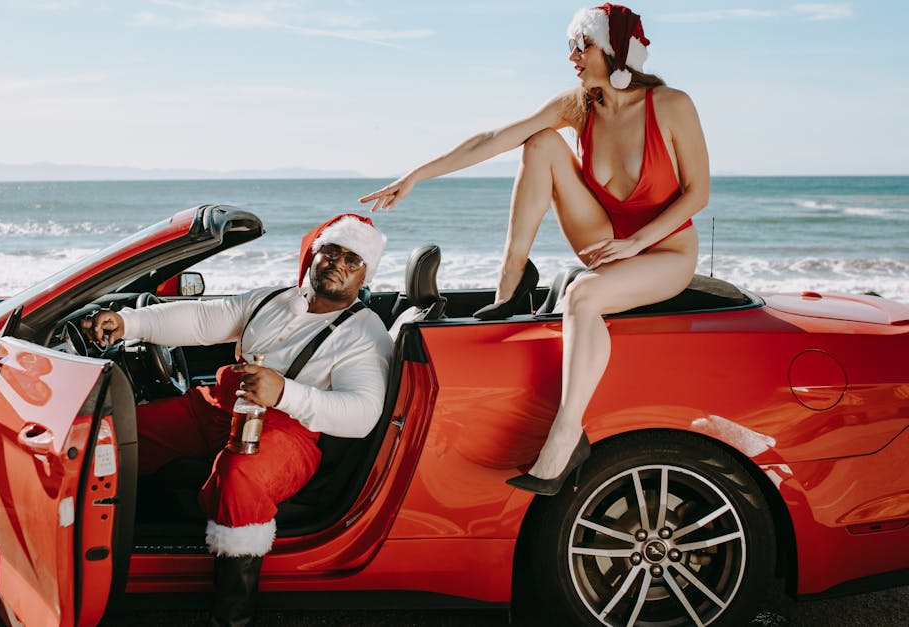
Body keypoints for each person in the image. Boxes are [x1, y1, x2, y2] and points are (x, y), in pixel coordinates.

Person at [359, 4, 708, 495]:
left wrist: (638, 241)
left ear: (615, 49)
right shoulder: (577, 104)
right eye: (572, 47)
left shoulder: (672, 105)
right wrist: (416, 175)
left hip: (665, 253)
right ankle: (511, 284)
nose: (573, 57)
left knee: (583, 296)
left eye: (582, 46)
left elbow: (698, 193)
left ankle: (567, 436)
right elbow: (495, 138)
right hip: (608, 244)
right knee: (539, 142)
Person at [83, 214, 394, 626]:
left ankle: (233, 613)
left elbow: (363, 415)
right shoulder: (272, 300)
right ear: (314, 256)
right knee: (117, 436)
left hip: (290, 432)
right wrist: (129, 322)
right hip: (218, 408)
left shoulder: (365, 333)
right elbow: (201, 319)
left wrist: (285, 392)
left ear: (363, 274)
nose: (337, 263)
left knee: (239, 475)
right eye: (331, 252)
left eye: (351, 259)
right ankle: (98, 545)